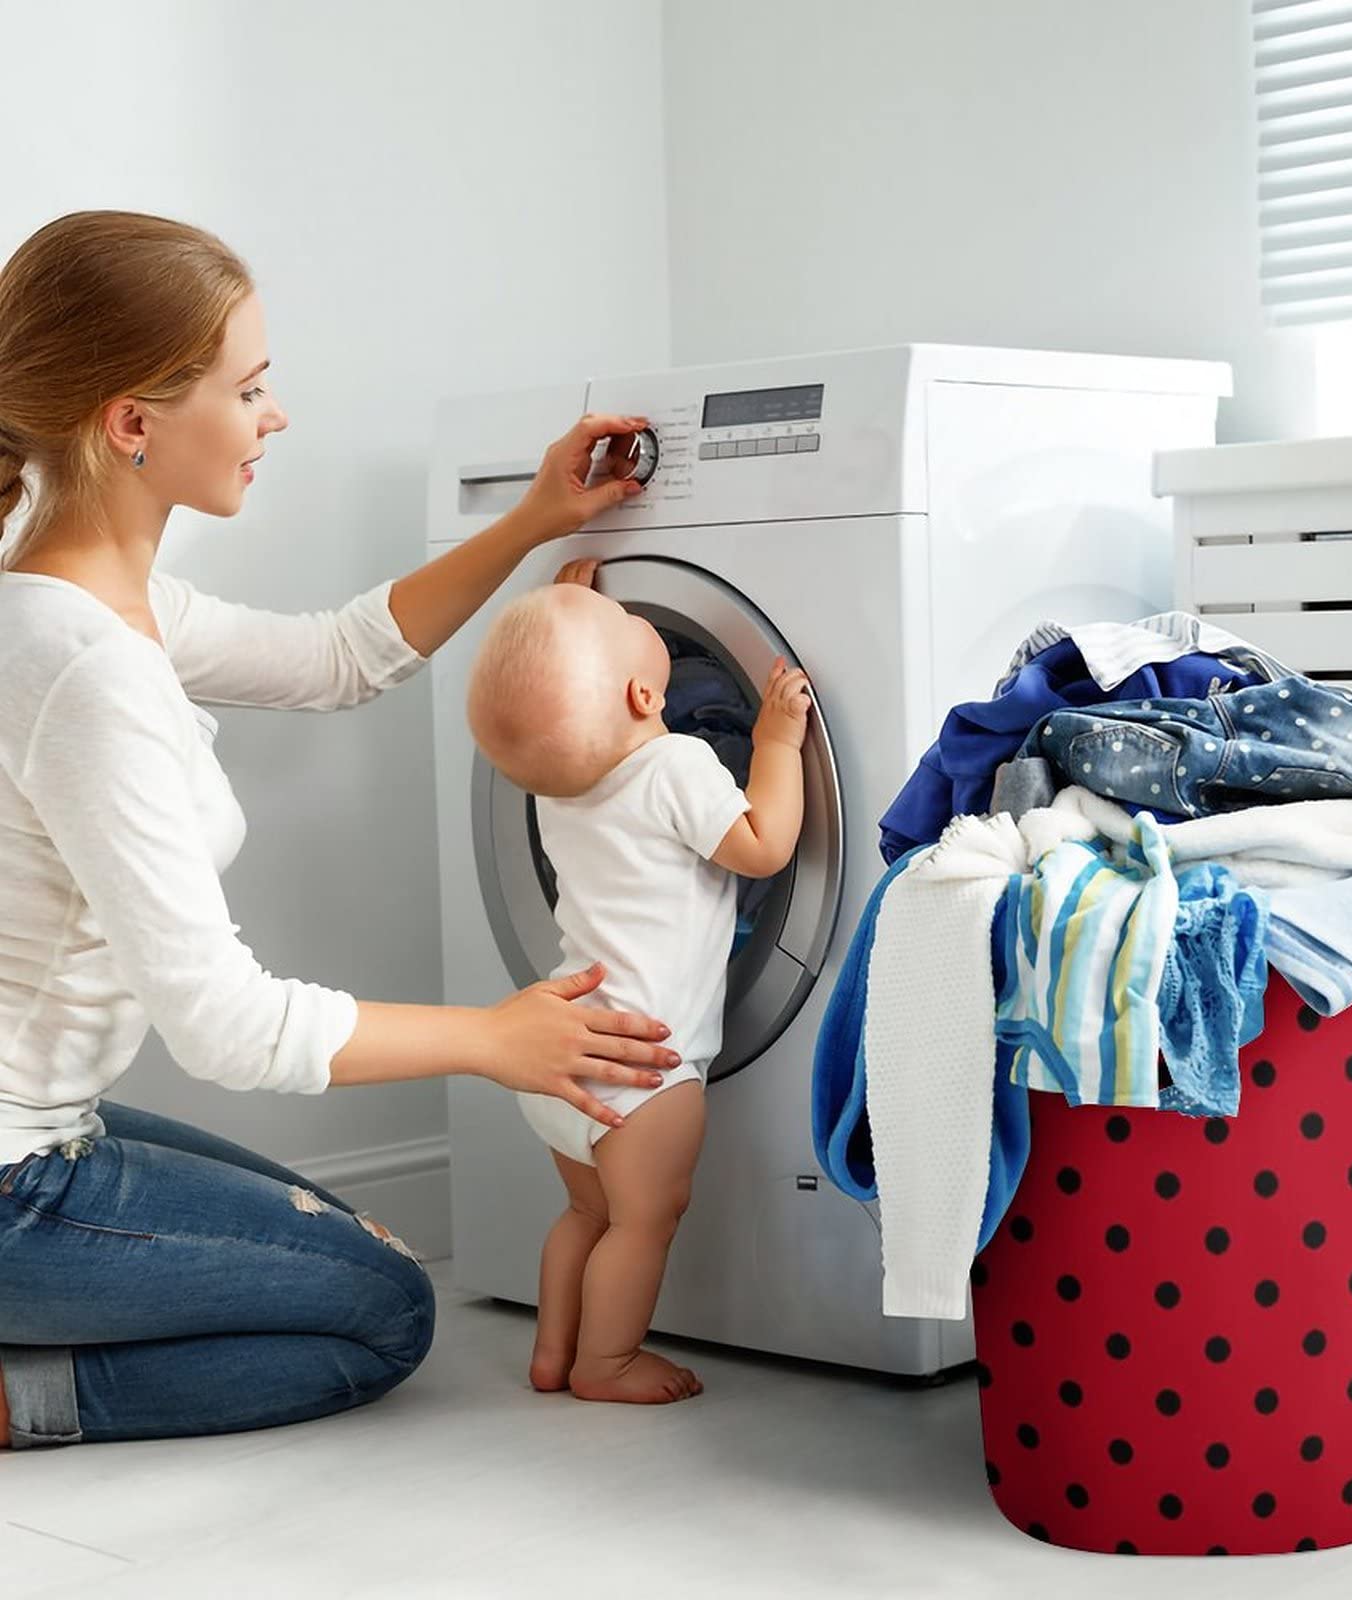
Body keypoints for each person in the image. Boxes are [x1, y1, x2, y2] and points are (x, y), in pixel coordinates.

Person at [0, 210, 678, 1448]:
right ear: (131, 422)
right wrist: (494, 1037)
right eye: (249, 388)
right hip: (13, 1182)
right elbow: (224, 1022)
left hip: (38, 1128)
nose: (278, 416)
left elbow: (338, 657)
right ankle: (20, 1393)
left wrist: (534, 519)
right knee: (381, 1310)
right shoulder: (83, 666)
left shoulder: (86, 599)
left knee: (344, 1241)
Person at [467, 579, 810, 1403]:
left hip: (565, 1046)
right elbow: (762, 847)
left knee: (586, 1216)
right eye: (629, 620)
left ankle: (553, 1351)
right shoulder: (677, 763)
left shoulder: (557, 785)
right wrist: (773, 744)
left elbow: (557, 713)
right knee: (645, 1221)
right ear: (646, 694)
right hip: (645, 1067)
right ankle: (607, 1362)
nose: (636, 613)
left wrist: (570, 616)